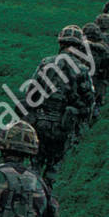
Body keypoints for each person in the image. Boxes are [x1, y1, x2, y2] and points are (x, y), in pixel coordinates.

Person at [25, 25, 96, 182]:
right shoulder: (82, 69)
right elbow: (89, 101)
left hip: (41, 123)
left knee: (35, 164)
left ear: (60, 43)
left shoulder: (46, 63)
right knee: (53, 167)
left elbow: (30, 93)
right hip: (63, 125)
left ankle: (32, 195)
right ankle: (47, 198)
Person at [83, 21, 109, 115]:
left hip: (81, 78)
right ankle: (95, 111)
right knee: (97, 100)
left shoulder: (79, 46)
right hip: (98, 79)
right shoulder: (104, 47)